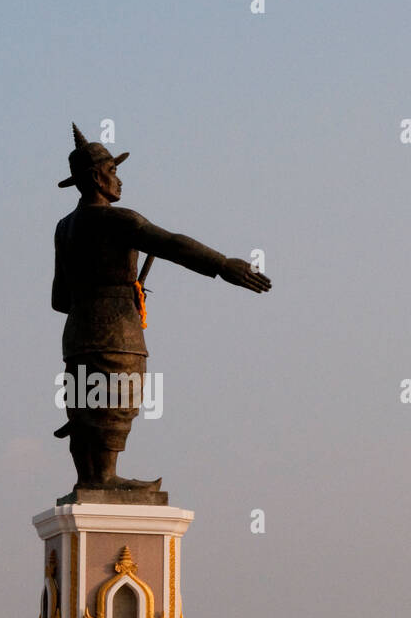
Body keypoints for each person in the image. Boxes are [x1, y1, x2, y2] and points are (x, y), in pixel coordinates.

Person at [52, 123, 271, 492]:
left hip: (77, 333)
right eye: (114, 171)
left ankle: (90, 477)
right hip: (117, 331)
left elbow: (59, 299)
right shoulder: (119, 220)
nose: (119, 180)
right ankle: (104, 477)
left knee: (84, 404)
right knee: (118, 398)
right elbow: (172, 243)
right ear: (95, 176)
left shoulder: (64, 227)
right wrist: (221, 265)